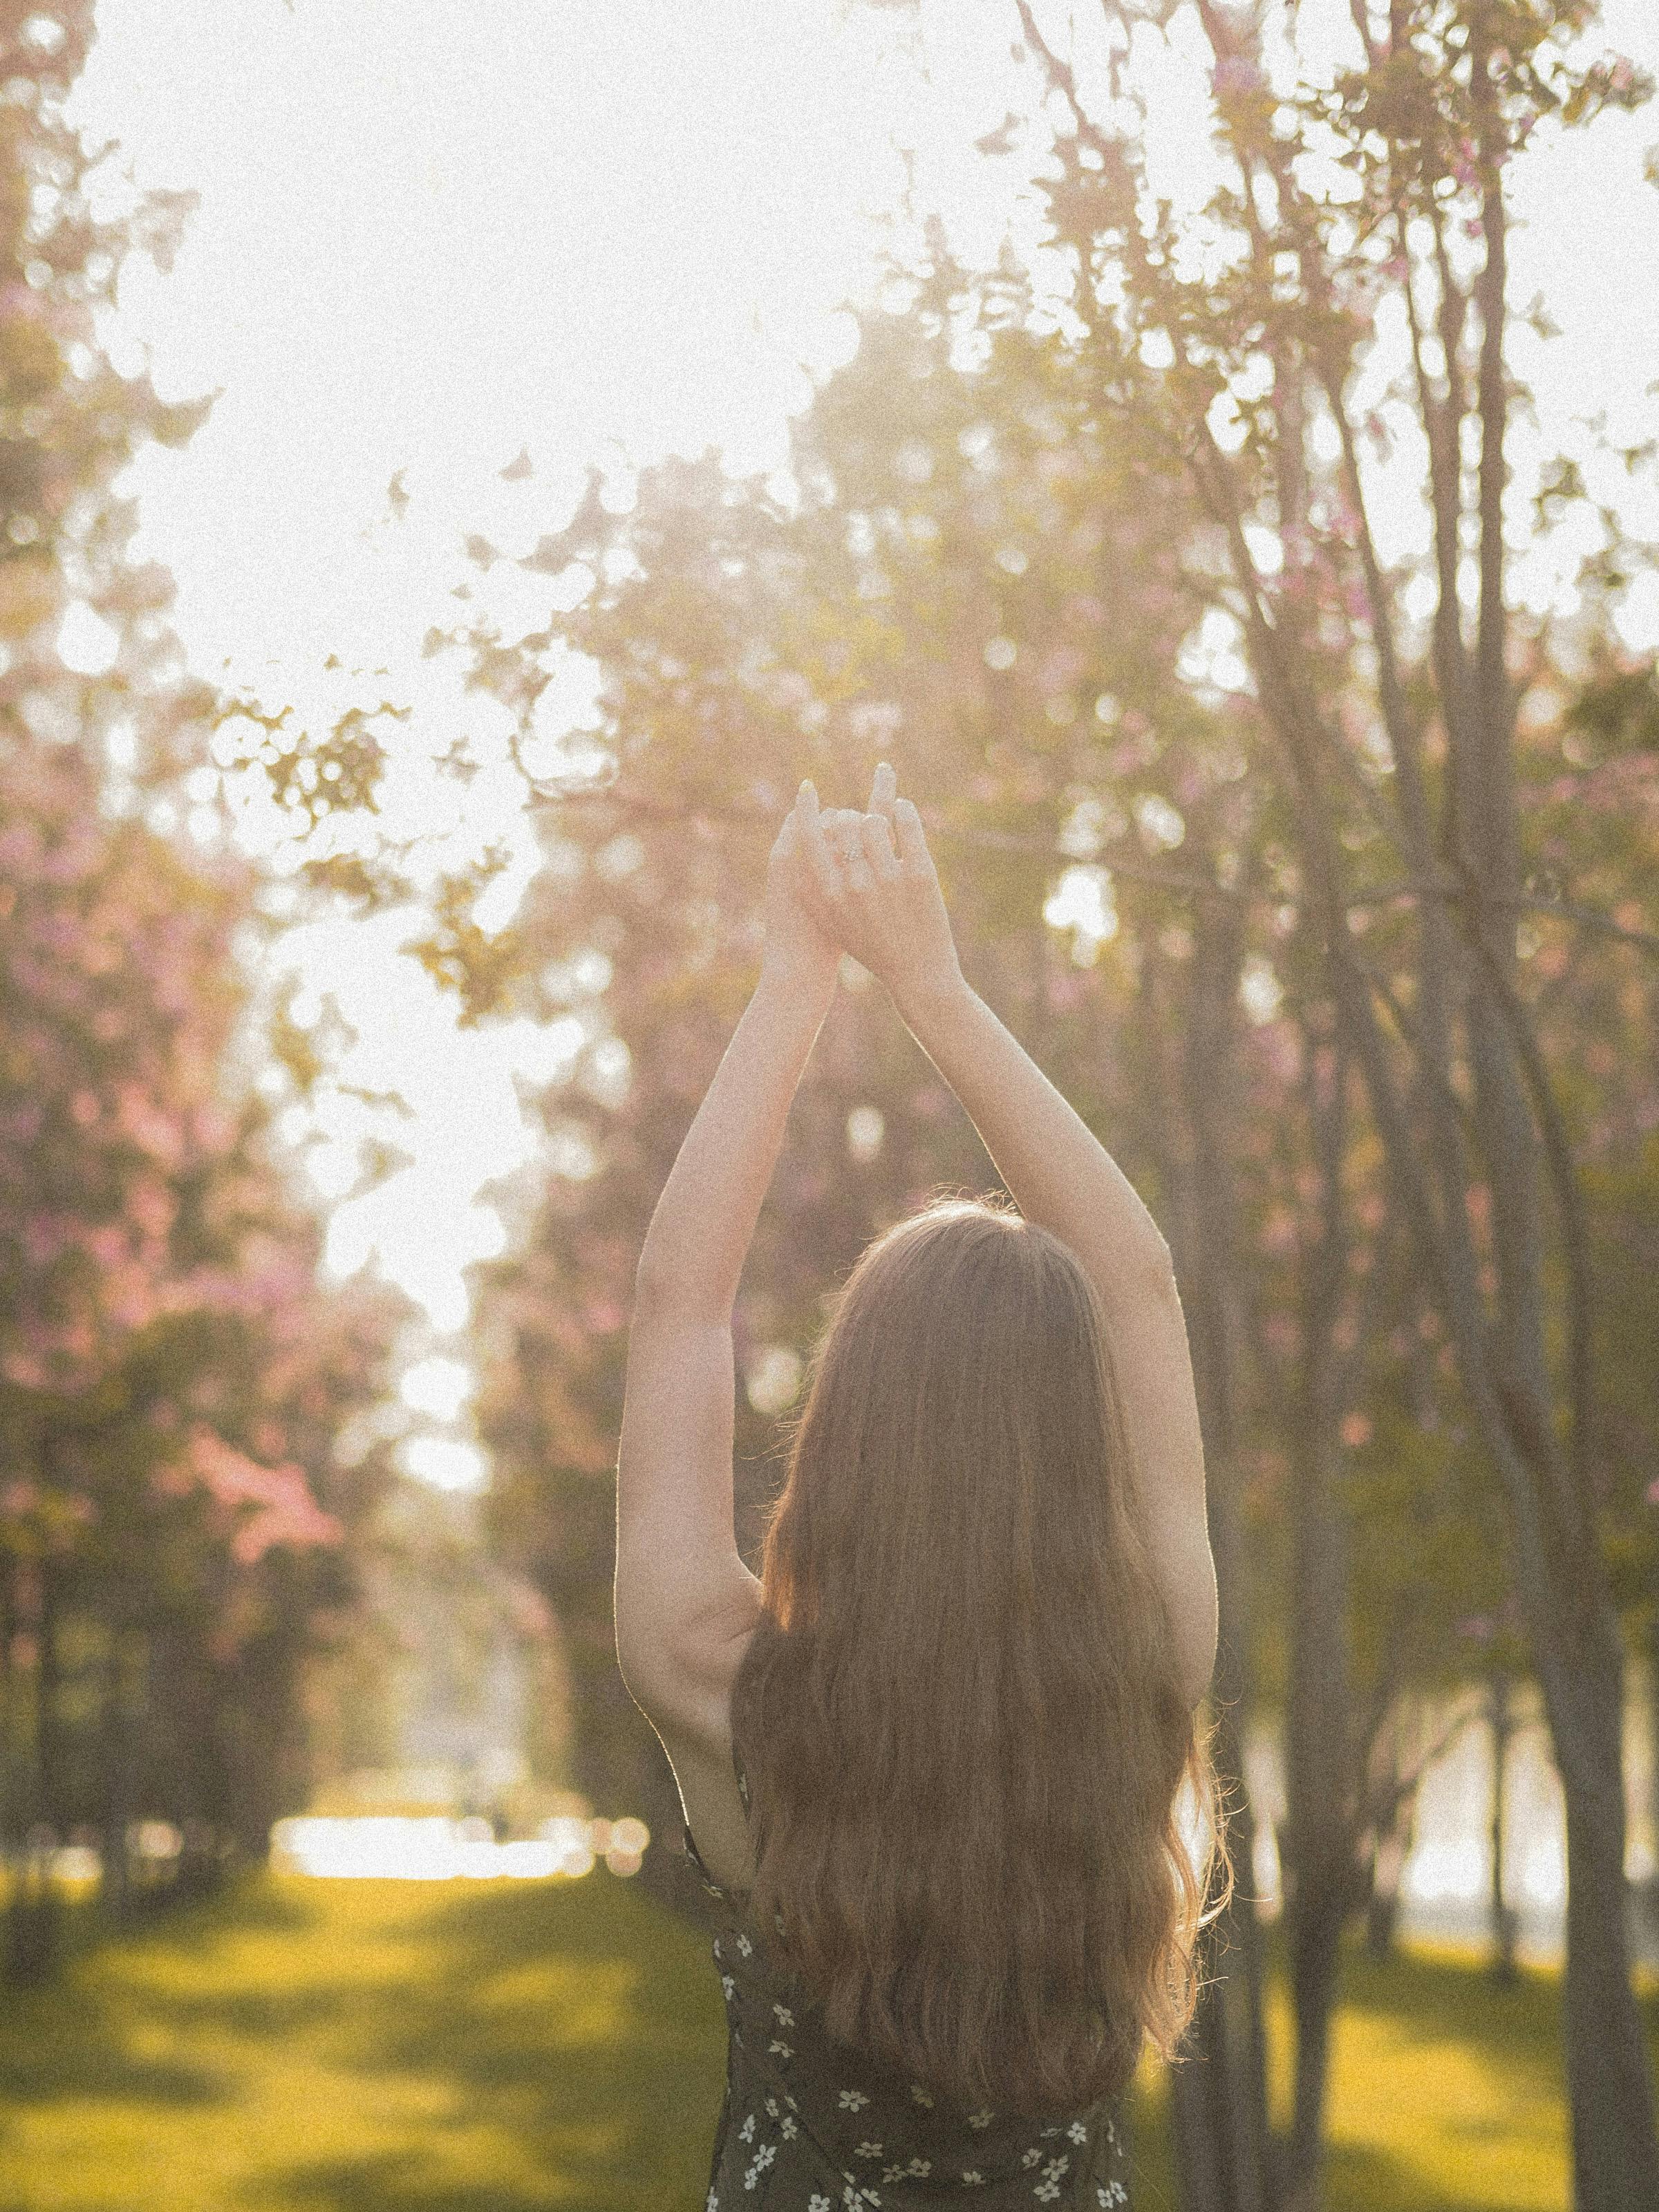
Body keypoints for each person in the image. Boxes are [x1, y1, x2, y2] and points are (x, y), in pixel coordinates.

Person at [615, 762, 1228, 2209]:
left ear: (848, 1439)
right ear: (1079, 1453)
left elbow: (676, 1309)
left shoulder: (721, 1688)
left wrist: (793, 986)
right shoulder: (1150, 1666)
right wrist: (934, 986)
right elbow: (1137, 1288)